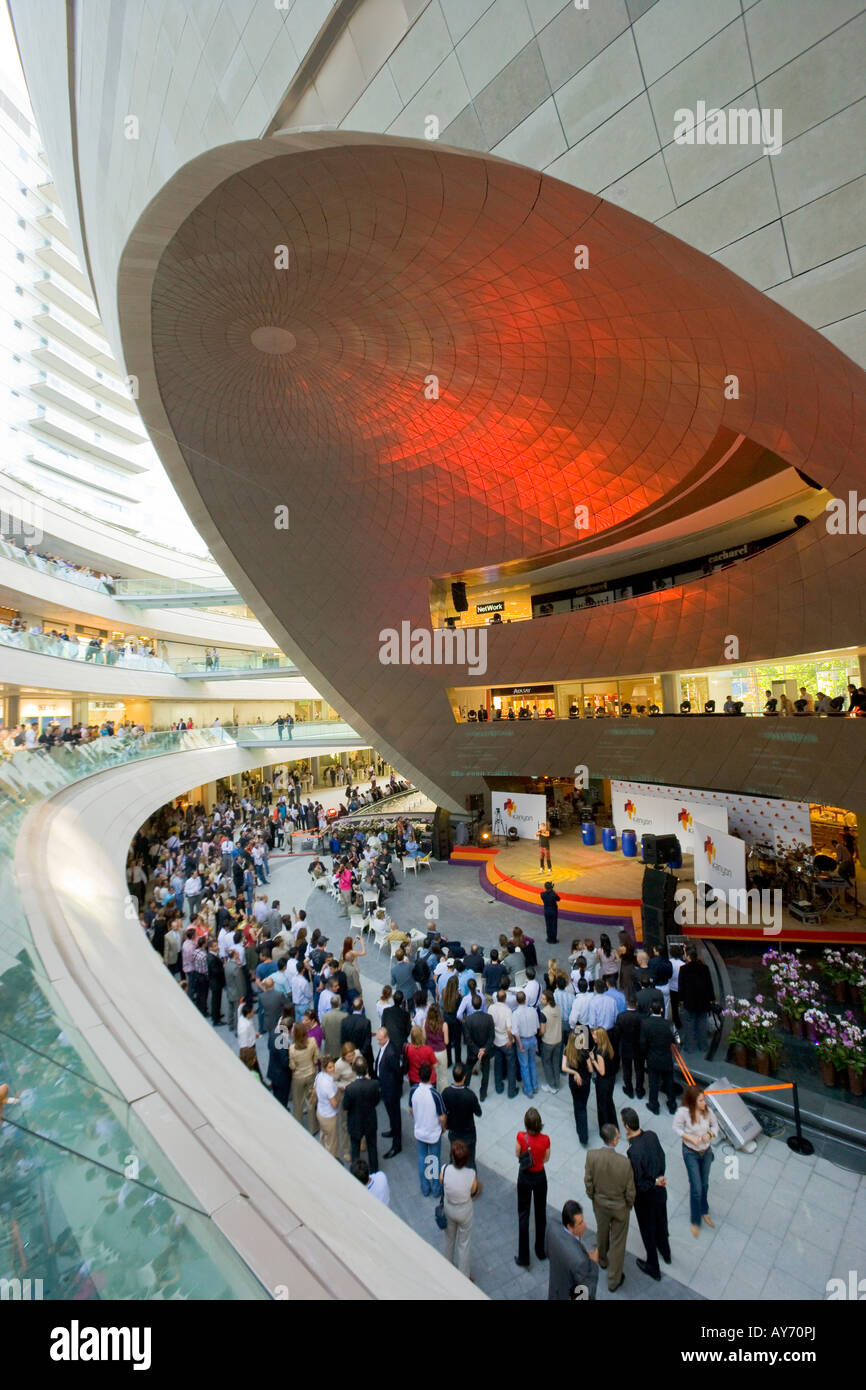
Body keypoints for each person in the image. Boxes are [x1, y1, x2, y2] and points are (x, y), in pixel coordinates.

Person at [584, 1124, 635, 1293]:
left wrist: (593, 1197)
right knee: (618, 1243)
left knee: (602, 1231)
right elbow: (630, 1191)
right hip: (619, 1207)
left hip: (600, 1204)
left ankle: (603, 1259)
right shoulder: (625, 1163)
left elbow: (588, 1181)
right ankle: (614, 1280)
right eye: (618, 1137)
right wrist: (628, 1205)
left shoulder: (592, 1156)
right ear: (613, 1140)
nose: (619, 1139)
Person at [621, 1107, 670, 1280]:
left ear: (627, 1126)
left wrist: (653, 1181)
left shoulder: (633, 1152)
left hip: (645, 1199)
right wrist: (660, 1177)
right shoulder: (651, 1135)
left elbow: (640, 1183)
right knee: (662, 1222)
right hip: (660, 1191)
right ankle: (666, 1252)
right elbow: (662, 1156)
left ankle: (653, 1266)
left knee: (648, 1231)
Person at [673, 1084, 719, 1237]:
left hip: (705, 1151)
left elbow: (715, 1125)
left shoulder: (707, 1112)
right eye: (700, 1101)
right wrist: (690, 1137)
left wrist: (710, 1135)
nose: (703, 1103)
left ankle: (704, 1210)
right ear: (692, 1101)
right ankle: (695, 1220)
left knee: (704, 1183)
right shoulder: (683, 1112)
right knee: (696, 1186)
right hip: (690, 1152)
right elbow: (677, 1128)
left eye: (703, 1100)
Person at [514, 1107, 550, 1269]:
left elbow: (517, 1154)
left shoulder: (521, 1137)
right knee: (540, 1213)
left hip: (525, 1177)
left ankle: (524, 1256)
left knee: (523, 1214)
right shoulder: (546, 1139)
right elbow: (546, 1158)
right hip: (540, 1177)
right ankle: (540, 1250)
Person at [545, 1200, 599, 1301]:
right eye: (580, 1223)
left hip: (555, 1288)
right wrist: (593, 1263)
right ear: (570, 1227)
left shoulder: (552, 1227)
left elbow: (548, 1252)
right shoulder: (580, 1261)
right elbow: (588, 1291)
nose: (585, 1226)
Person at [441, 1138, 479, 1277]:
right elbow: (473, 1190)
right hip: (464, 1210)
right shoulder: (471, 1174)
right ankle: (463, 1274)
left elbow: (441, 1181)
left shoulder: (445, 1170)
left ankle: (446, 1268)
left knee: (449, 1239)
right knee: (464, 1243)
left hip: (449, 1208)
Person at [409, 1060, 446, 1196]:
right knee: (434, 1160)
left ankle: (425, 1188)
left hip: (420, 1131)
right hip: (433, 1132)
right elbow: (442, 1117)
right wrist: (443, 1128)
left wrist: (417, 1119)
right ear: (431, 1076)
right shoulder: (435, 1094)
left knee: (422, 1158)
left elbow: (411, 1109)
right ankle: (436, 1189)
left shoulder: (413, 1090)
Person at [343, 1056, 382, 1171]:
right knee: (372, 1147)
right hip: (370, 1120)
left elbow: (345, 1106)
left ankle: (356, 1172)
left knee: (355, 1148)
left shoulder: (350, 1088)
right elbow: (377, 1101)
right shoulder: (374, 1084)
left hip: (355, 1121)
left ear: (354, 1069)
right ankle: (374, 1170)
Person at [441, 1062, 482, 1168]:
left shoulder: (446, 1093)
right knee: (470, 1161)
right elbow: (479, 1113)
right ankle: (472, 1182)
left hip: (454, 1133)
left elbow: (443, 1113)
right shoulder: (470, 1095)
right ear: (464, 1077)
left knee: (454, 1158)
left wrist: (444, 1126)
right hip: (469, 1133)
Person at [641, 1000, 678, 1115]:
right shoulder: (670, 1024)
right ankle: (672, 1104)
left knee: (653, 1082)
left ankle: (654, 1105)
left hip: (652, 1058)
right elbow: (677, 1040)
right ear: (662, 1010)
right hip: (666, 1057)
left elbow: (643, 1043)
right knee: (669, 1082)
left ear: (651, 1010)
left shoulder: (645, 1024)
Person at [677, 946, 715, 1051]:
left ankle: (689, 1047)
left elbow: (681, 986)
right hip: (703, 1001)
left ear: (688, 956)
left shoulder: (684, 969)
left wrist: (681, 1000)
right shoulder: (704, 968)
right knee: (702, 1024)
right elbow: (709, 984)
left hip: (689, 1001)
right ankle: (703, 1046)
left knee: (689, 1025)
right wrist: (711, 998)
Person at [375, 1024, 404, 1157]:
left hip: (391, 1090)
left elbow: (398, 1073)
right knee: (391, 1114)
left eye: (379, 1039)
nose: (377, 1041)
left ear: (386, 1038)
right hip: (385, 1087)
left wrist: (394, 1088)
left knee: (395, 1116)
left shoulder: (391, 1052)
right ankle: (393, 1130)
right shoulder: (384, 1047)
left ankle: (397, 1145)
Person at [561, 1027, 592, 1146]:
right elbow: (590, 1069)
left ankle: (580, 1129)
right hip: (585, 1081)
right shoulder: (585, 1052)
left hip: (573, 1082)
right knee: (583, 1107)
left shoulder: (567, 1050)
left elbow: (563, 1068)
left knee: (576, 1104)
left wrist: (574, 1072)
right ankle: (584, 1136)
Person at [289, 1021, 320, 1134]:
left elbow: (292, 1066)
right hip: (311, 1073)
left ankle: (298, 1128)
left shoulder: (292, 1048)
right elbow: (317, 1057)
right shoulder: (312, 1042)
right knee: (311, 1101)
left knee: (298, 1103)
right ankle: (313, 1128)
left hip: (298, 1077)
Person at [612, 992, 644, 1099]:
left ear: (627, 1003)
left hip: (625, 1047)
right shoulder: (641, 1017)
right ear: (637, 1003)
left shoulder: (621, 1017)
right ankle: (639, 1090)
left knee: (627, 1069)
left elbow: (616, 1033)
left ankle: (629, 1090)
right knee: (639, 1070)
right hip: (638, 1047)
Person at [489, 989, 518, 1098]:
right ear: (505, 998)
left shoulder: (491, 1008)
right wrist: (510, 1040)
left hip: (496, 1041)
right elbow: (509, 1029)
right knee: (511, 1066)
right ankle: (511, 1091)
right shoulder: (507, 1010)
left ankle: (499, 1087)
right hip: (506, 1041)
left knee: (498, 1064)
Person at [511, 991, 540, 1098]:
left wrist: (520, 1044)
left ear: (517, 1001)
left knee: (524, 1066)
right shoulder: (533, 1011)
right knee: (532, 1062)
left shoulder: (515, 1013)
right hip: (533, 1039)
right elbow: (537, 1027)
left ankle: (529, 1090)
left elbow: (515, 1032)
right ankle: (535, 1085)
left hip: (522, 1040)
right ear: (525, 999)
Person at [463, 1003, 494, 1101]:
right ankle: (483, 1094)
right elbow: (492, 1036)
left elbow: (467, 1039)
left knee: (468, 1069)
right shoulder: (489, 1018)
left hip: (473, 1051)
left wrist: (477, 1051)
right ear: (481, 1005)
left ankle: (465, 1088)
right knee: (485, 1072)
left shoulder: (468, 1019)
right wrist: (484, 1049)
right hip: (485, 1052)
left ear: (472, 1006)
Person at [587, 1026, 617, 1131]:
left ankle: (604, 1129)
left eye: (594, 1035)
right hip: (611, 1078)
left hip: (603, 1082)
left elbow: (601, 1071)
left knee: (602, 1106)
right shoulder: (608, 1046)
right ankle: (614, 1125)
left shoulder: (600, 1052)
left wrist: (593, 1060)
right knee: (609, 1102)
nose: (593, 1037)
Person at [314, 1056, 340, 1156]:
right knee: (332, 1143)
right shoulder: (328, 1084)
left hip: (320, 1111)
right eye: (330, 1067)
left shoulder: (319, 1076)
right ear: (325, 1068)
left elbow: (315, 1089)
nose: (333, 1069)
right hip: (329, 1116)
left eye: (333, 1066)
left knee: (323, 1136)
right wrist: (339, 1096)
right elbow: (334, 1104)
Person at [539, 989, 562, 1093]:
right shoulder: (557, 1008)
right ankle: (557, 1083)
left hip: (548, 1041)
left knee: (547, 1063)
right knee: (556, 1062)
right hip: (558, 1040)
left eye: (543, 998)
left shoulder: (543, 1012)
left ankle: (551, 1085)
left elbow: (542, 1030)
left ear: (548, 1000)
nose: (541, 1000)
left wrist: (539, 1035)